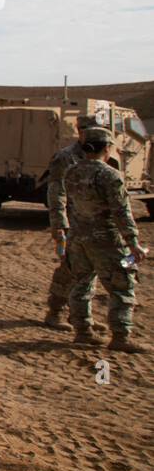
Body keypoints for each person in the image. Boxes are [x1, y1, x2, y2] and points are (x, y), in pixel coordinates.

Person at [64, 126, 148, 351]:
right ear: (108, 149)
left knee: (81, 284)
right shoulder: (109, 175)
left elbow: (70, 206)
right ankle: (120, 337)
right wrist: (133, 244)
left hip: (78, 239)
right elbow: (122, 212)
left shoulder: (71, 172)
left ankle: (83, 332)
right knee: (122, 286)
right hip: (106, 241)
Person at [43, 114, 98, 328]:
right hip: (72, 223)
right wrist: (59, 223)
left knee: (90, 270)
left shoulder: (98, 153)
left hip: (94, 222)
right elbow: (56, 192)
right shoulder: (66, 157)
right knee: (68, 267)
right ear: (80, 131)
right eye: (88, 130)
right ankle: (55, 312)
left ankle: (82, 315)